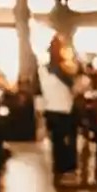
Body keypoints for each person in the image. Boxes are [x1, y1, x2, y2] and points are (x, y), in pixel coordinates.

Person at [38, 35, 90, 176]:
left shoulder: (42, 70)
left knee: (57, 141)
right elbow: (75, 88)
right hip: (65, 109)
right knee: (69, 140)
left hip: (50, 110)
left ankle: (58, 167)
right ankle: (68, 167)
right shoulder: (61, 71)